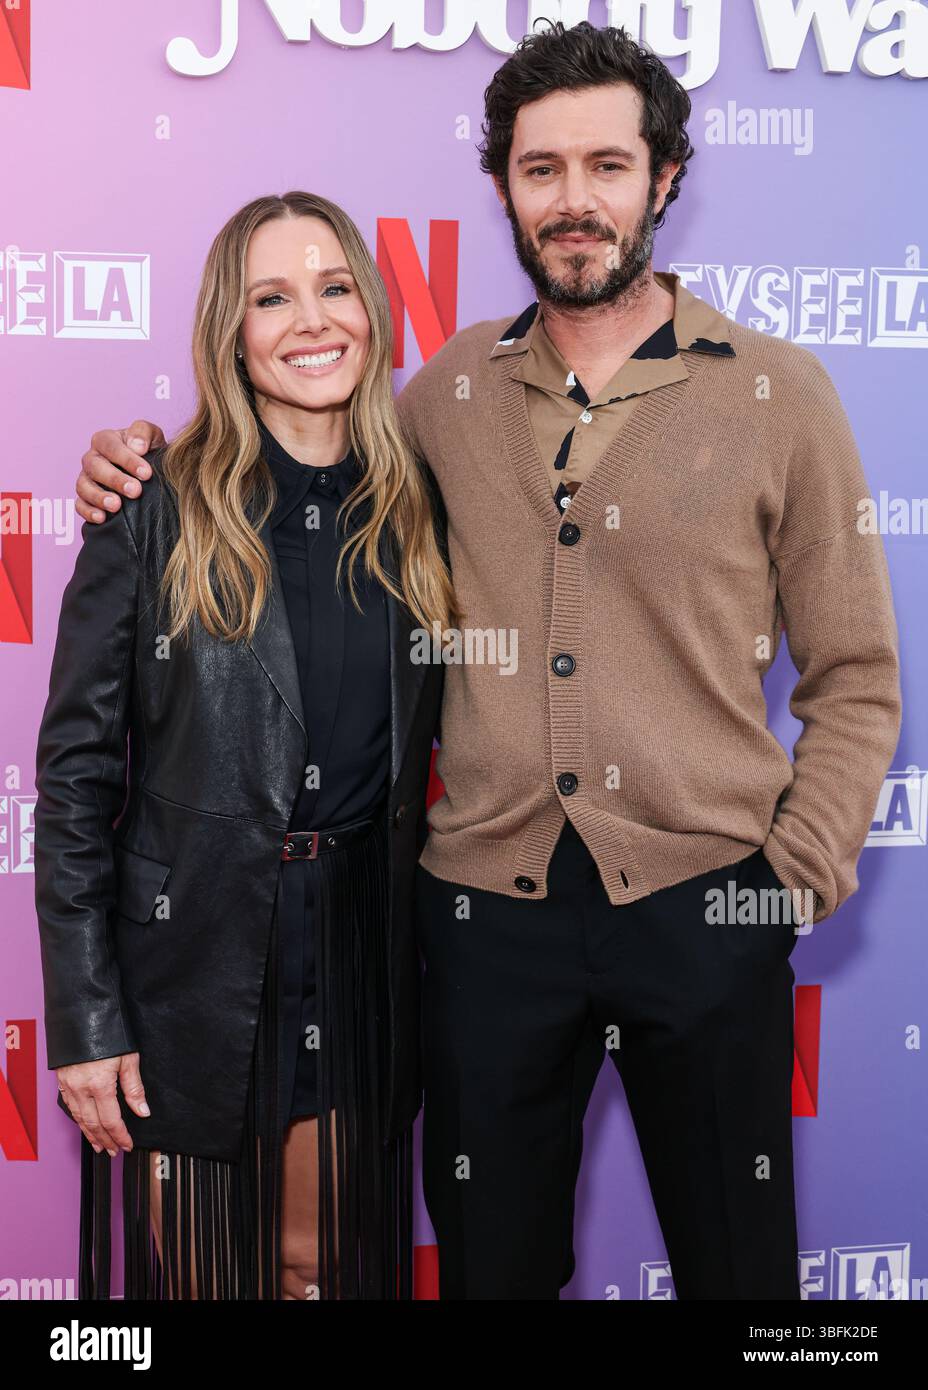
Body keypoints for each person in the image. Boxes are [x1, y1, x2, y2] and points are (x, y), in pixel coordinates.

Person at [73, 22, 903, 1300]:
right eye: (539, 169)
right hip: (478, 930)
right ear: (505, 187)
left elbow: (856, 672)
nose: (574, 202)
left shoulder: (776, 396)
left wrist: (788, 881)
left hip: (705, 911)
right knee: (488, 1272)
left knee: (745, 1284)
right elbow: (288, 464)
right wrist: (134, 456)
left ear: (664, 178)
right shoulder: (445, 397)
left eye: (608, 166)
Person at [35, 190, 454, 1300]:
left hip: (364, 956)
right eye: (272, 296)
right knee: (212, 1281)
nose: (311, 320)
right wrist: (83, 1021)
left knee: (326, 1273)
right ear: (231, 330)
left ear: (371, 307)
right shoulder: (150, 507)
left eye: (334, 287)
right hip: (200, 961)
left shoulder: (419, 508)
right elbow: (74, 785)